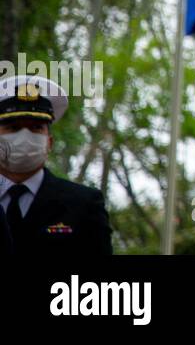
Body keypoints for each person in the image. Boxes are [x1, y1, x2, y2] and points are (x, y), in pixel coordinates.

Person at [0, 74, 113, 255]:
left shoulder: (84, 204)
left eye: (36, 127)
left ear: (49, 142)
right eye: (13, 127)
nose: (25, 136)